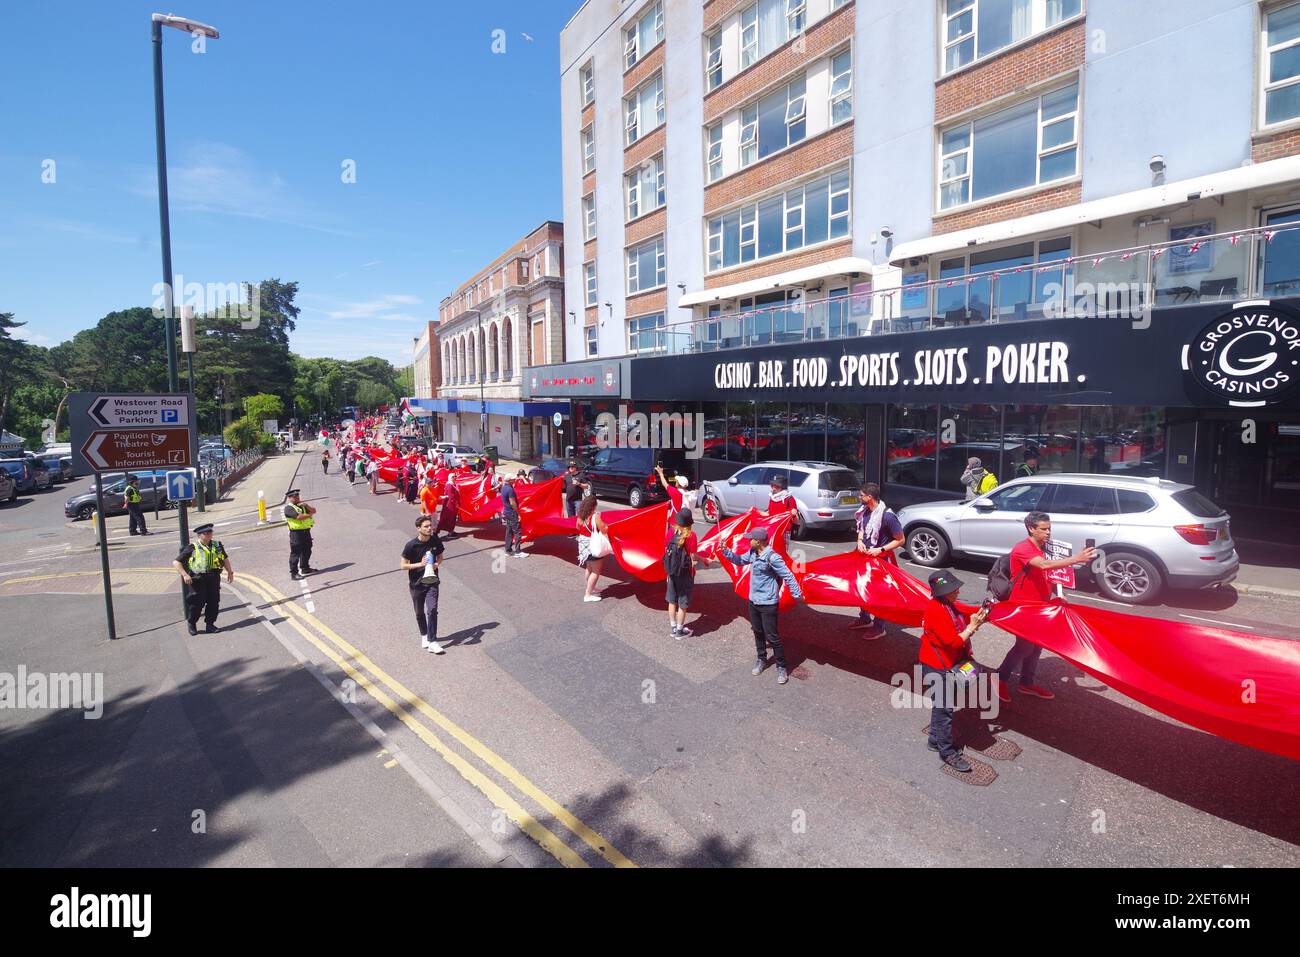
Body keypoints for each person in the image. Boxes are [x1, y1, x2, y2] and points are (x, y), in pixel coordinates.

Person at [995, 510, 1096, 703]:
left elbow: (1053, 573)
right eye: (1044, 529)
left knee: (1036, 647)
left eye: (1049, 528)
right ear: (1031, 529)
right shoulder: (1023, 548)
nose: (1048, 532)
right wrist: (1076, 559)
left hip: (1042, 605)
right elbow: (1043, 565)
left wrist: (1059, 594)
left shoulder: (1047, 546)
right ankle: (999, 678)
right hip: (1024, 606)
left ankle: (1026, 683)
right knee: (1024, 647)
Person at [920, 570, 989, 774]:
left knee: (941, 708)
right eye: (952, 589)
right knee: (945, 711)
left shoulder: (947, 604)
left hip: (948, 664)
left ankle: (934, 740)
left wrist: (981, 613)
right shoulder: (935, 611)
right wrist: (972, 627)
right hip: (938, 667)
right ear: (942, 593)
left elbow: (964, 614)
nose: (957, 591)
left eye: (955, 587)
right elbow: (952, 642)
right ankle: (947, 752)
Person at [721, 527, 804, 685]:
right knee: (758, 632)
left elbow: (788, 575)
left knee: (772, 636)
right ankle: (761, 659)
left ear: (758, 541)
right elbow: (739, 561)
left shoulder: (772, 557)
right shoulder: (753, 553)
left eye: (750, 539)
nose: (748, 540)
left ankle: (781, 667)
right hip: (753, 601)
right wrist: (726, 551)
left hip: (768, 603)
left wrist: (796, 594)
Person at [851, 482, 904, 638]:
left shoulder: (888, 516)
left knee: (878, 595)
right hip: (864, 557)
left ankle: (879, 626)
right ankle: (864, 618)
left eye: (861, 495)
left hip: (880, 560)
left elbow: (900, 540)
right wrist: (859, 541)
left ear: (870, 497)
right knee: (861, 589)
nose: (859, 497)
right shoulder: (864, 511)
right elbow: (861, 529)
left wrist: (880, 549)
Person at [173, 523, 234, 635]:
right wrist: (185, 575)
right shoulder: (193, 547)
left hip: (214, 577)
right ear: (199, 535)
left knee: (214, 602)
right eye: (207, 533)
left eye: (210, 532)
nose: (210, 534)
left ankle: (210, 625)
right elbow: (176, 562)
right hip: (198, 578)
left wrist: (230, 572)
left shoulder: (217, 545)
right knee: (197, 603)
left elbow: (225, 559)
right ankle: (192, 623)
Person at [400, 514, 446, 654]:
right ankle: (424, 635)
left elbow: (440, 556)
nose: (429, 528)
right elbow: (403, 565)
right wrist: (420, 564)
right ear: (418, 528)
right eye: (426, 526)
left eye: (430, 526)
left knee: (432, 610)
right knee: (419, 612)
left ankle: (433, 641)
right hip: (416, 584)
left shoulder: (435, 540)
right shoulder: (411, 546)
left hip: (432, 582)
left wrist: (436, 565)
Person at [664, 507, 701, 638]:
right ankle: (680, 631)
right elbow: (693, 556)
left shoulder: (670, 532)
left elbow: (666, 550)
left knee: (672, 600)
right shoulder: (691, 536)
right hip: (685, 573)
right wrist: (704, 560)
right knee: (683, 602)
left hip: (672, 571)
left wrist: (668, 571)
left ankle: (673, 628)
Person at [575, 494, 608, 602]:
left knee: (589, 567)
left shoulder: (581, 515)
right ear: (594, 505)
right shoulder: (595, 517)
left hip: (583, 546)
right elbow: (604, 529)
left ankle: (591, 588)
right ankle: (588, 594)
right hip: (593, 546)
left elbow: (577, 527)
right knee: (596, 571)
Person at [282, 489, 318, 580]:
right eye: (295, 496)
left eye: (298, 496)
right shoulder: (288, 508)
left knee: (307, 550)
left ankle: (305, 568)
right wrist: (309, 515)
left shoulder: (301, 506)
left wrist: (306, 505)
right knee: (295, 553)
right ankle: (294, 574)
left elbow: (314, 511)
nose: (297, 497)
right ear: (289, 498)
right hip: (296, 534)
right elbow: (299, 517)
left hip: (306, 532)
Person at [496, 474, 528, 558]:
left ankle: (508, 550)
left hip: (506, 512)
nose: (514, 480)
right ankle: (518, 551)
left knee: (509, 531)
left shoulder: (504, 488)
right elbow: (512, 503)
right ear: (509, 480)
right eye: (513, 479)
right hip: (512, 513)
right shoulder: (510, 489)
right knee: (517, 531)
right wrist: (518, 513)